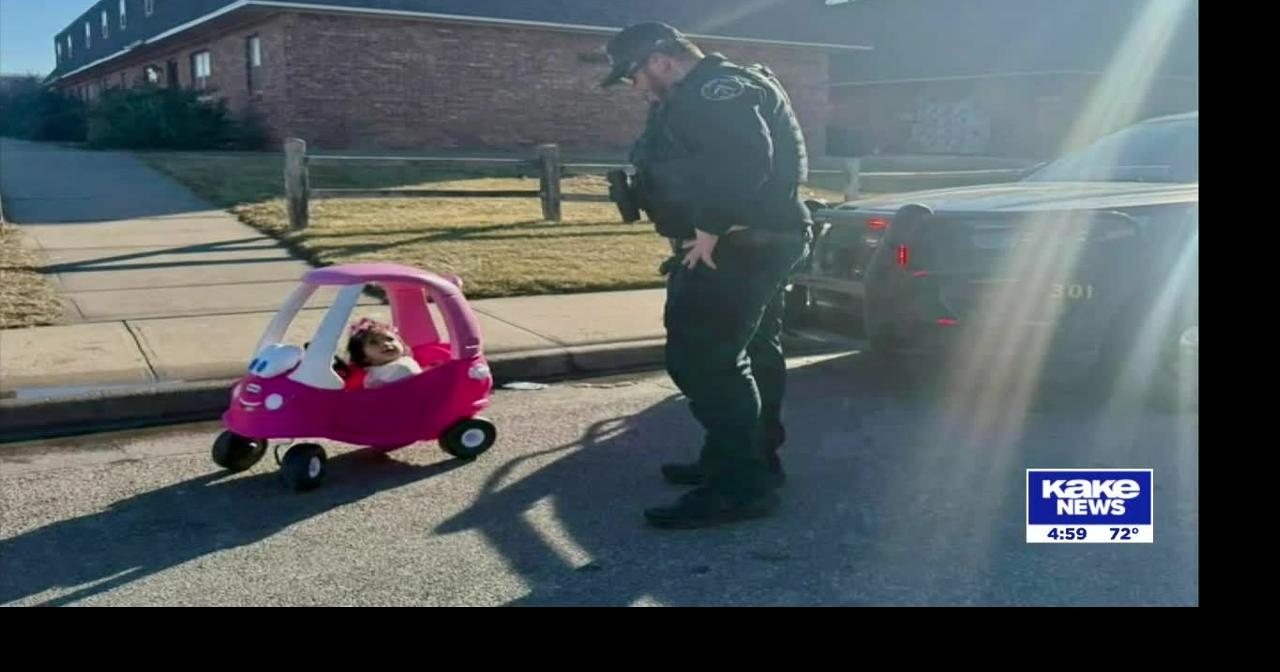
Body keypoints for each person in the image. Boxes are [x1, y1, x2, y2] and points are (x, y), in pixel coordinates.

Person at [601, 22, 812, 529]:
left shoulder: (715, 91)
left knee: (703, 358)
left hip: (739, 244)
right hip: (757, 239)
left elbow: (745, 161)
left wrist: (709, 229)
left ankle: (741, 488)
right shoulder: (705, 90)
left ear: (660, 60)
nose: (635, 86)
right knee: (753, 351)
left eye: (633, 74)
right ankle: (748, 461)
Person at [346, 318, 423, 389]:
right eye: (374, 342)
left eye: (390, 339)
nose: (386, 344)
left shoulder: (405, 359)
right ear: (364, 357)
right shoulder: (377, 375)